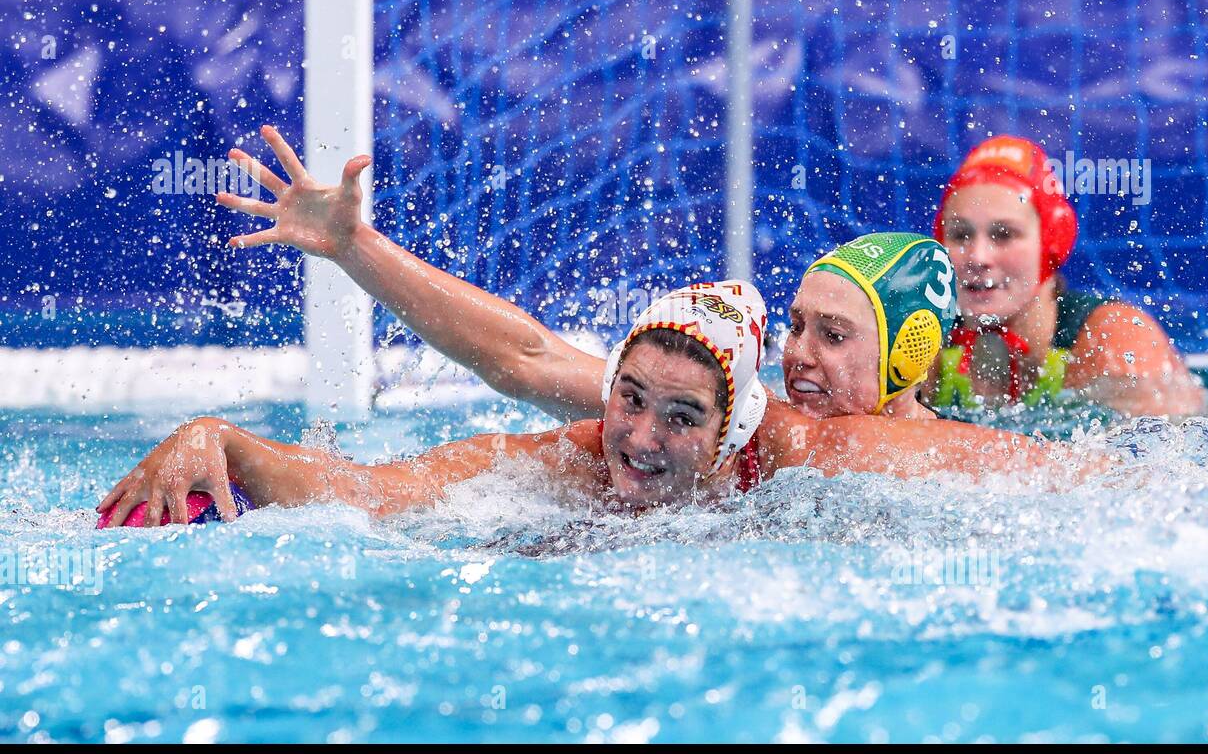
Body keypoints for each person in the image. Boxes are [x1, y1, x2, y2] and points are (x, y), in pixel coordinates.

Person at [214, 128, 963, 468]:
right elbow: (525, 357)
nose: (796, 353)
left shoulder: (958, 463)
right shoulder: (734, 417)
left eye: (833, 336)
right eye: (796, 325)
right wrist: (355, 247)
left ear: (911, 357)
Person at [96, 282, 1084, 527]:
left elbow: (1071, 483)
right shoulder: (572, 455)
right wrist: (221, 439)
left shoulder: (817, 463)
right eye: (629, 397)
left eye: (681, 418)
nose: (639, 439)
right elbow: (374, 488)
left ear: (733, 427)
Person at [925, 135, 1206, 416]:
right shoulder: (926, 339)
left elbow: (1155, 453)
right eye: (961, 235)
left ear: (1052, 241)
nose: (978, 257)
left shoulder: (1113, 341)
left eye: (1004, 235)